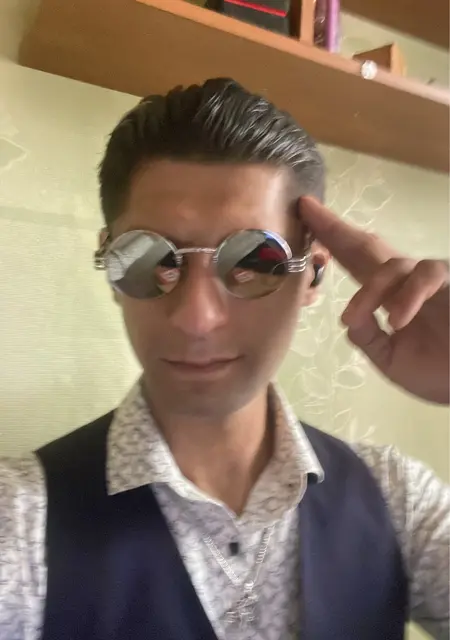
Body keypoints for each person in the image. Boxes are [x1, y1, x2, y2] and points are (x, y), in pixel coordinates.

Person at [0, 78, 448, 640]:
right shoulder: (20, 519)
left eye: (253, 260)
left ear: (313, 275)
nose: (196, 318)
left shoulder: (396, 498)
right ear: (109, 265)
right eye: (149, 258)